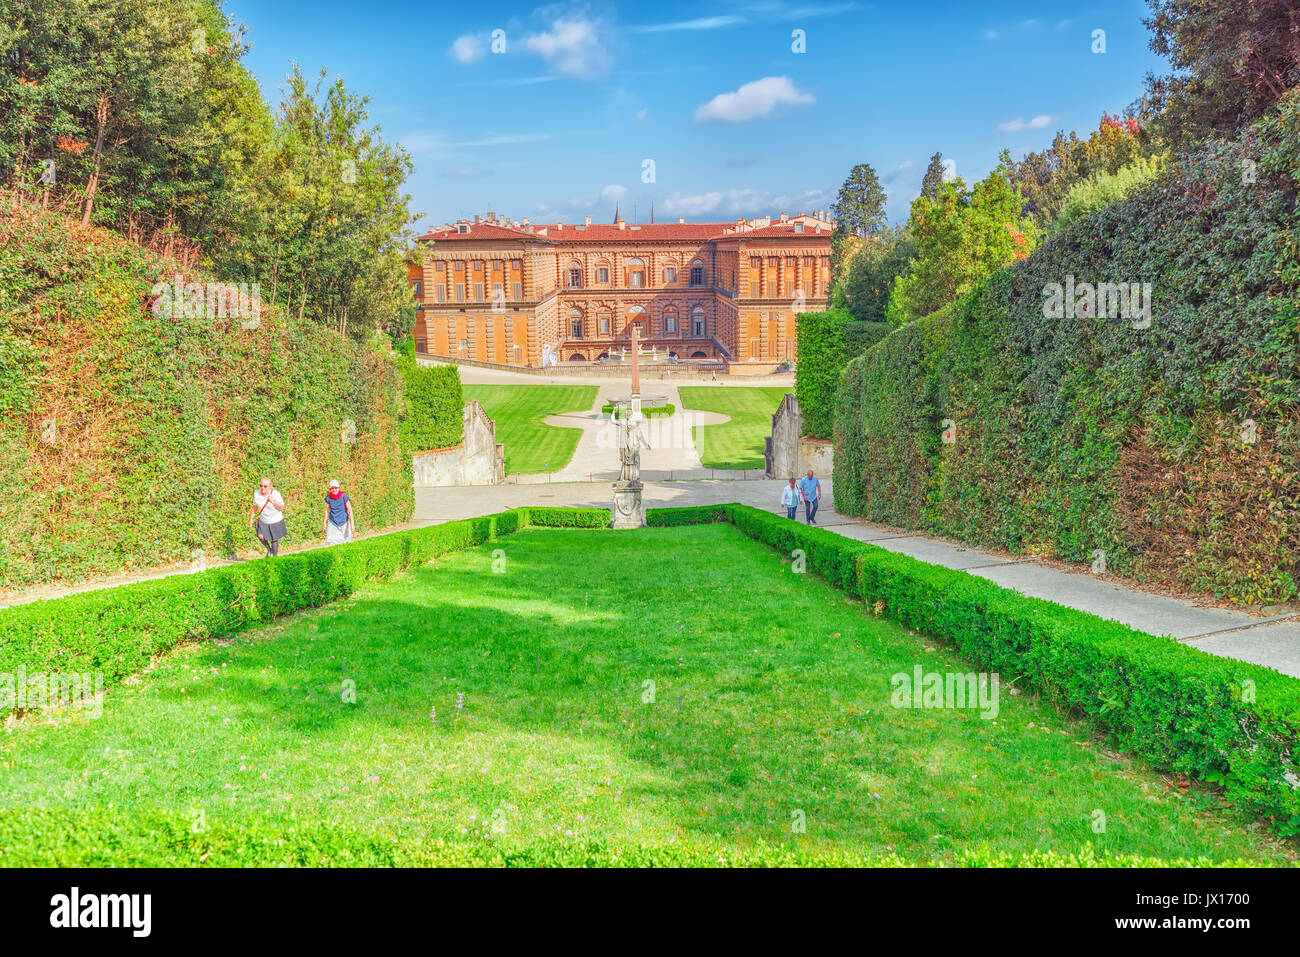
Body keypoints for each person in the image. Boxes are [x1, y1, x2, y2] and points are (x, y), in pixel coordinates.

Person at [249, 477, 287, 556]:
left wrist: (273, 501)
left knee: (274, 540)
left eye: (265, 486)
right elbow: (255, 506)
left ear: (270, 486)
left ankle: (275, 557)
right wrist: (251, 518)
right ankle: (269, 549)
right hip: (263, 520)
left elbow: (282, 507)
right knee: (260, 536)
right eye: (261, 485)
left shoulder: (275, 494)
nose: (262, 488)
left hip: (275, 520)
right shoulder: (256, 493)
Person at [322, 479, 354, 545]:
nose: (334, 490)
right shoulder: (328, 497)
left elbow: (350, 510)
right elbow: (327, 510)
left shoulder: (343, 496)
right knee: (330, 542)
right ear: (330, 489)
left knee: (346, 542)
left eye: (336, 488)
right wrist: (324, 523)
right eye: (332, 488)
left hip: (344, 522)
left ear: (338, 488)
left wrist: (352, 524)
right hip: (333, 522)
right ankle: (333, 554)